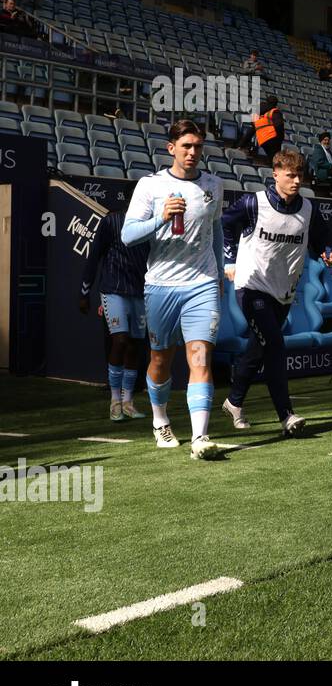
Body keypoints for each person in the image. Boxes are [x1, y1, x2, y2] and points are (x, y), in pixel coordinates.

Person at [121, 119, 227, 460]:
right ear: (171, 149)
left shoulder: (214, 184)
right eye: (186, 146)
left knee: (200, 357)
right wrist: (161, 219)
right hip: (161, 285)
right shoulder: (150, 187)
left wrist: (220, 273)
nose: (193, 152)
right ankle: (160, 421)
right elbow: (128, 236)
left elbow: (216, 230)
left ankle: (200, 438)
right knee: (159, 359)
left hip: (203, 282)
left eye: (198, 146)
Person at [221, 150, 332, 436]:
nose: (297, 181)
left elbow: (322, 242)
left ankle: (234, 402)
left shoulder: (308, 209)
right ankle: (286, 415)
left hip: (284, 292)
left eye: (300, 176)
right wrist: (229, 259)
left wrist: (327, 254)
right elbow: (225, 223)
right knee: (274, 344)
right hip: (251, 286)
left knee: (258, 349)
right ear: (275, 174)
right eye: (290, 175)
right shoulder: (253, 203)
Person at [79, 204, 151, 422]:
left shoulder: (150, 225)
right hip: (113, 289)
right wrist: (84, 291)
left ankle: (128, 402)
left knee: (135, 345)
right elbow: (94, 257)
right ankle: (114, 402)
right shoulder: (111, 222)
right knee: (119, 341)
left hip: (140, 292)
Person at [249, 95, 284, 162]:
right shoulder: (274, 111)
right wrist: (280, 138)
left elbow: (253, 124)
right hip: (271, 137)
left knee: (271, 157)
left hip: (261, 138)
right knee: (275, 159)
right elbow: (279, 126)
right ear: (275, 104)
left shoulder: (258, 111)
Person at [308, 131, 332, 196]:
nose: (327, 142)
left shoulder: (330, 150)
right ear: (321, 141)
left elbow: (331, 161)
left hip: (330, 170)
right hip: (322, 171)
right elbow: (320, 162)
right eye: (325, 140)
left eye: (328, 140)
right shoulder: (318, 148)